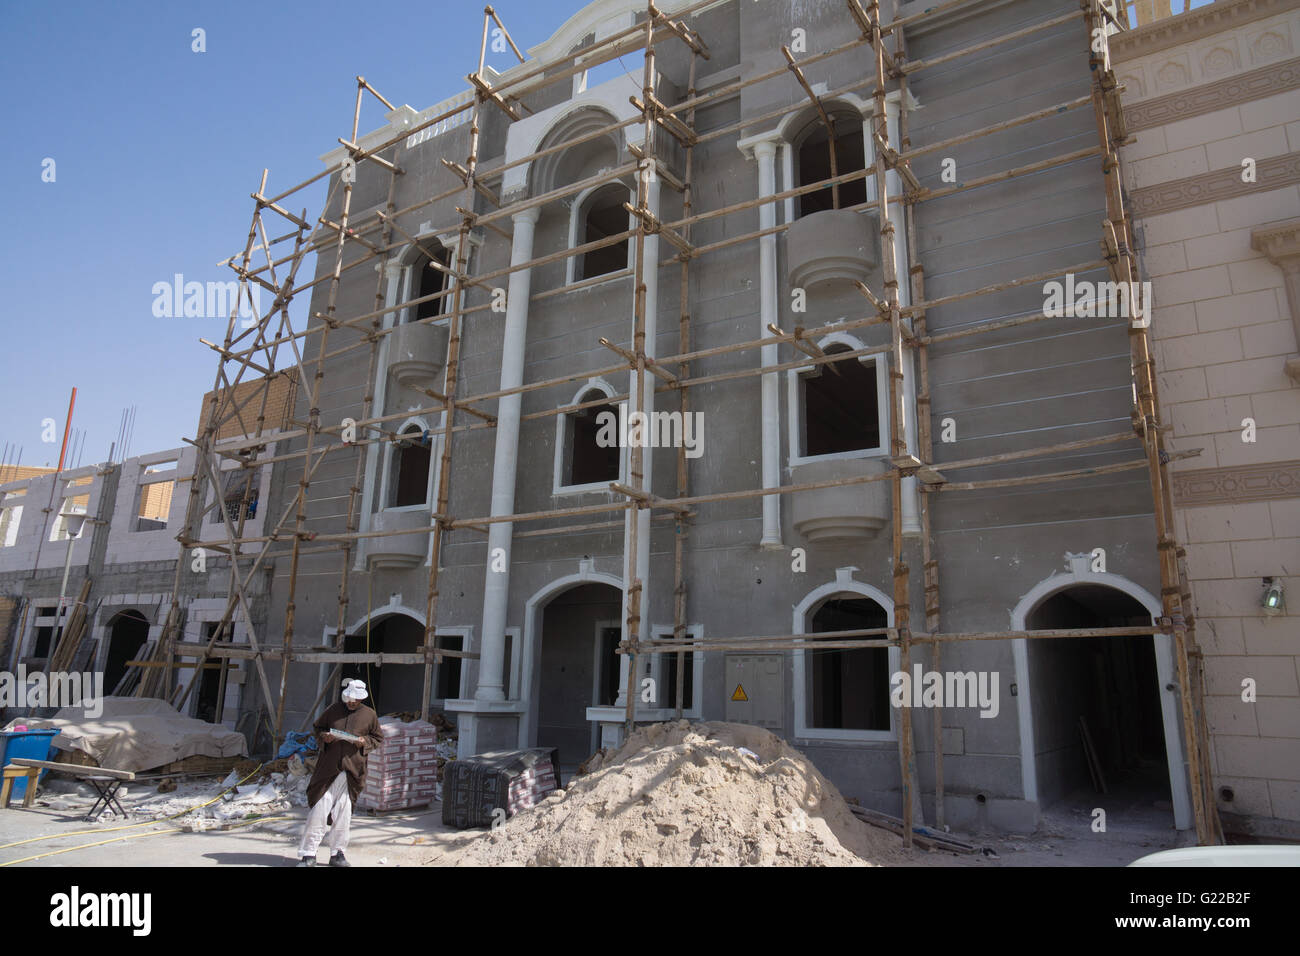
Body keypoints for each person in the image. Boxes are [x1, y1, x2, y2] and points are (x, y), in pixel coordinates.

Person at [295, 678, 381, 866]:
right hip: (328, 769)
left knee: (344, 813)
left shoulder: (369, 715)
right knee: (319, 809)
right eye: (350, 699)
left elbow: (377, 738)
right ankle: (308, 853)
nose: (352, 703)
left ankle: (338, 853)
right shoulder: (333, 710)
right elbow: (318, 728)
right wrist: (324, 737)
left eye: (356, 700)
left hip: (352, 771)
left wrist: (363, 742)